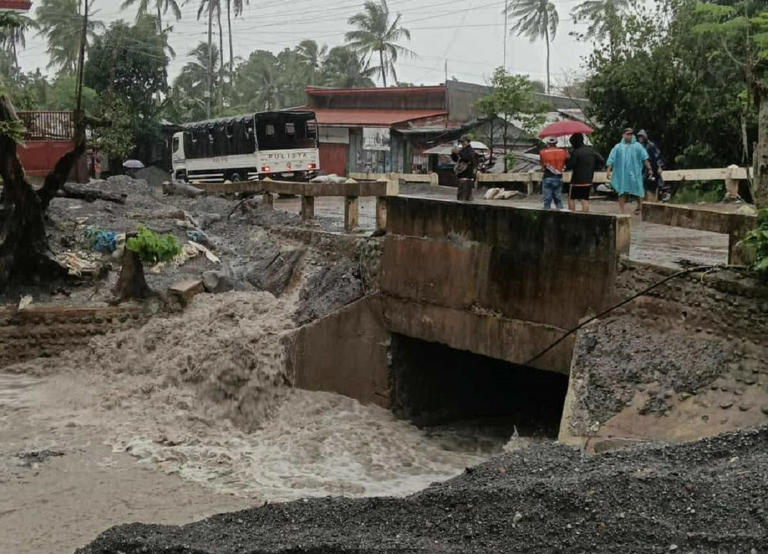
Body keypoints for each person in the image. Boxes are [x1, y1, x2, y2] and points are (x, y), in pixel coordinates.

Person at [606, 128, 652, 214]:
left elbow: (644, 158)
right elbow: (611, 159)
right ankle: (622, 211)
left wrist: (649, 169)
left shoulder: (637, 146)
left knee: (638, 189)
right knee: (621, 192)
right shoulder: (618, 147)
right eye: (627, 134)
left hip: (635, 173)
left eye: (631, 134)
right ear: (623, 135)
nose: (629, 136)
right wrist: (608, 170)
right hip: (622, 174)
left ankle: (640, 206)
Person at [565, 133, 604, 212]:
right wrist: (594, 167)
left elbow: (571, 165)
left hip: (576, 180)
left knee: (571, 198)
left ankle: (571, 215)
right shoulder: (591, 151)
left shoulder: (575, 152)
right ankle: (586, 216)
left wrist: (567, 159)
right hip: (588, 179)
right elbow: (602, 160)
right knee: (584, 200)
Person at [637, 129, 668, 201]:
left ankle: (655, 200)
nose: (640, 138)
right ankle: (643, 205)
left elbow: (658, 156)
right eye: (639, 137)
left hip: (652, 169)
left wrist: (660, 167)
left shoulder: (651, 145)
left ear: (644, 137)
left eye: (641, 136)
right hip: (644, 170)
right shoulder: (641, 147)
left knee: (653, 187)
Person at [539, 137, 568, 210]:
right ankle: (561, 215)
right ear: (556, 143)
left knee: (547, 199)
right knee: (558, 198)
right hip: (558, 177)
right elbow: (566, 161)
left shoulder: (543, 152)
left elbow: (542, 166)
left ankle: (546, 214)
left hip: (547, 177)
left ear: (548, 143)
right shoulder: (563, 151)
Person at [451, 135, 477, 201]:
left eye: (463, 142)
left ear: (468, 142)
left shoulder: (471, 151)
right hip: (461, 176)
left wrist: (459, 153)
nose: (462, 143)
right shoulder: (462, 150)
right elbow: (456, 159)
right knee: (461, 195)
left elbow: (467, 158)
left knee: (465, 196)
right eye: (461, 142)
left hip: (467, 176)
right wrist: (453, 153)